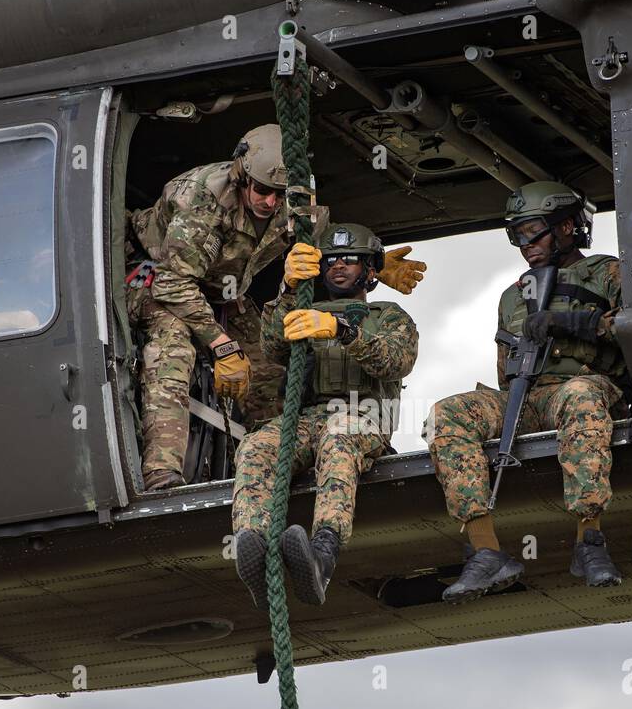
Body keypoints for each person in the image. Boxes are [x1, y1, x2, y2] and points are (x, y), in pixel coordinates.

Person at [125, 125, 426, 490]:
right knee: (172, 346)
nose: (270, 203)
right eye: (262, 191)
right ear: (242, 177)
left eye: (279, 195)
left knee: (268, 367)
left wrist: (372, 265)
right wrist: (222, 346)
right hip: (159, 279)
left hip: (222, 292)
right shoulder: (202, 199)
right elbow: (175, 281)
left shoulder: (298, 204)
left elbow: (318, 244)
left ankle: (265, 473)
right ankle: (162, 473)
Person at [424, 181, 625, 603]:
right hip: (526, 396)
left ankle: (589, 541)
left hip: (580, 388)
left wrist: (569, 323)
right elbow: (506, 369)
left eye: (532, 231)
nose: (524, 244)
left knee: (581, 396)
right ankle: (485, 550)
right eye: (516, 235)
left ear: (567, 227)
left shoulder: (607, 273)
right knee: (448, 412)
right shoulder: (513, 296)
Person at [230, 224, 419, 608]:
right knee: (257, 445)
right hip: (309, 418)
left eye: (351, 260)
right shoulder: (304, 313)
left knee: (339, 435)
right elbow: (273, 347)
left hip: (363, 415)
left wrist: (341, 330)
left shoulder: (388, 315)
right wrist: (286, 290)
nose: (339, 267)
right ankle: (255, 548)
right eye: (331, 260)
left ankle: (322, 554)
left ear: (370, 271)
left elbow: (396, 361)